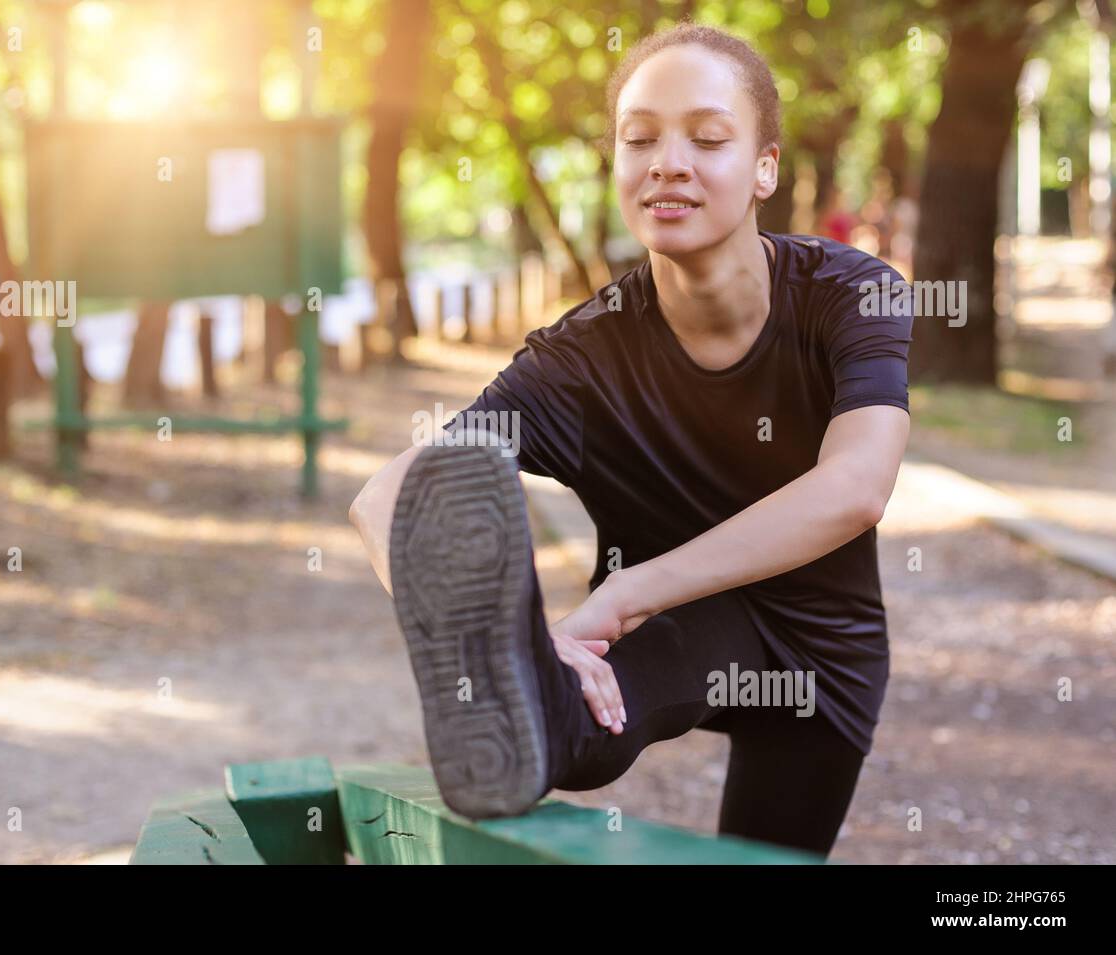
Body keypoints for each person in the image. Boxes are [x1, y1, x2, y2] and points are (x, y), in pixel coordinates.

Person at [348, 22, 913, 859]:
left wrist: (627, 592)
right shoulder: (582, 357)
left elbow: (856, 488)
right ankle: (522, 700)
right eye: (639, 138)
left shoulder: (850, 294)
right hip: (685, 628)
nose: (668, 161)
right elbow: (383, 496)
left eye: (708, 138)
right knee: (572, 723)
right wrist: (514, 644)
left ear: (765, 168)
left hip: (820, 658)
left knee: (771, 858)